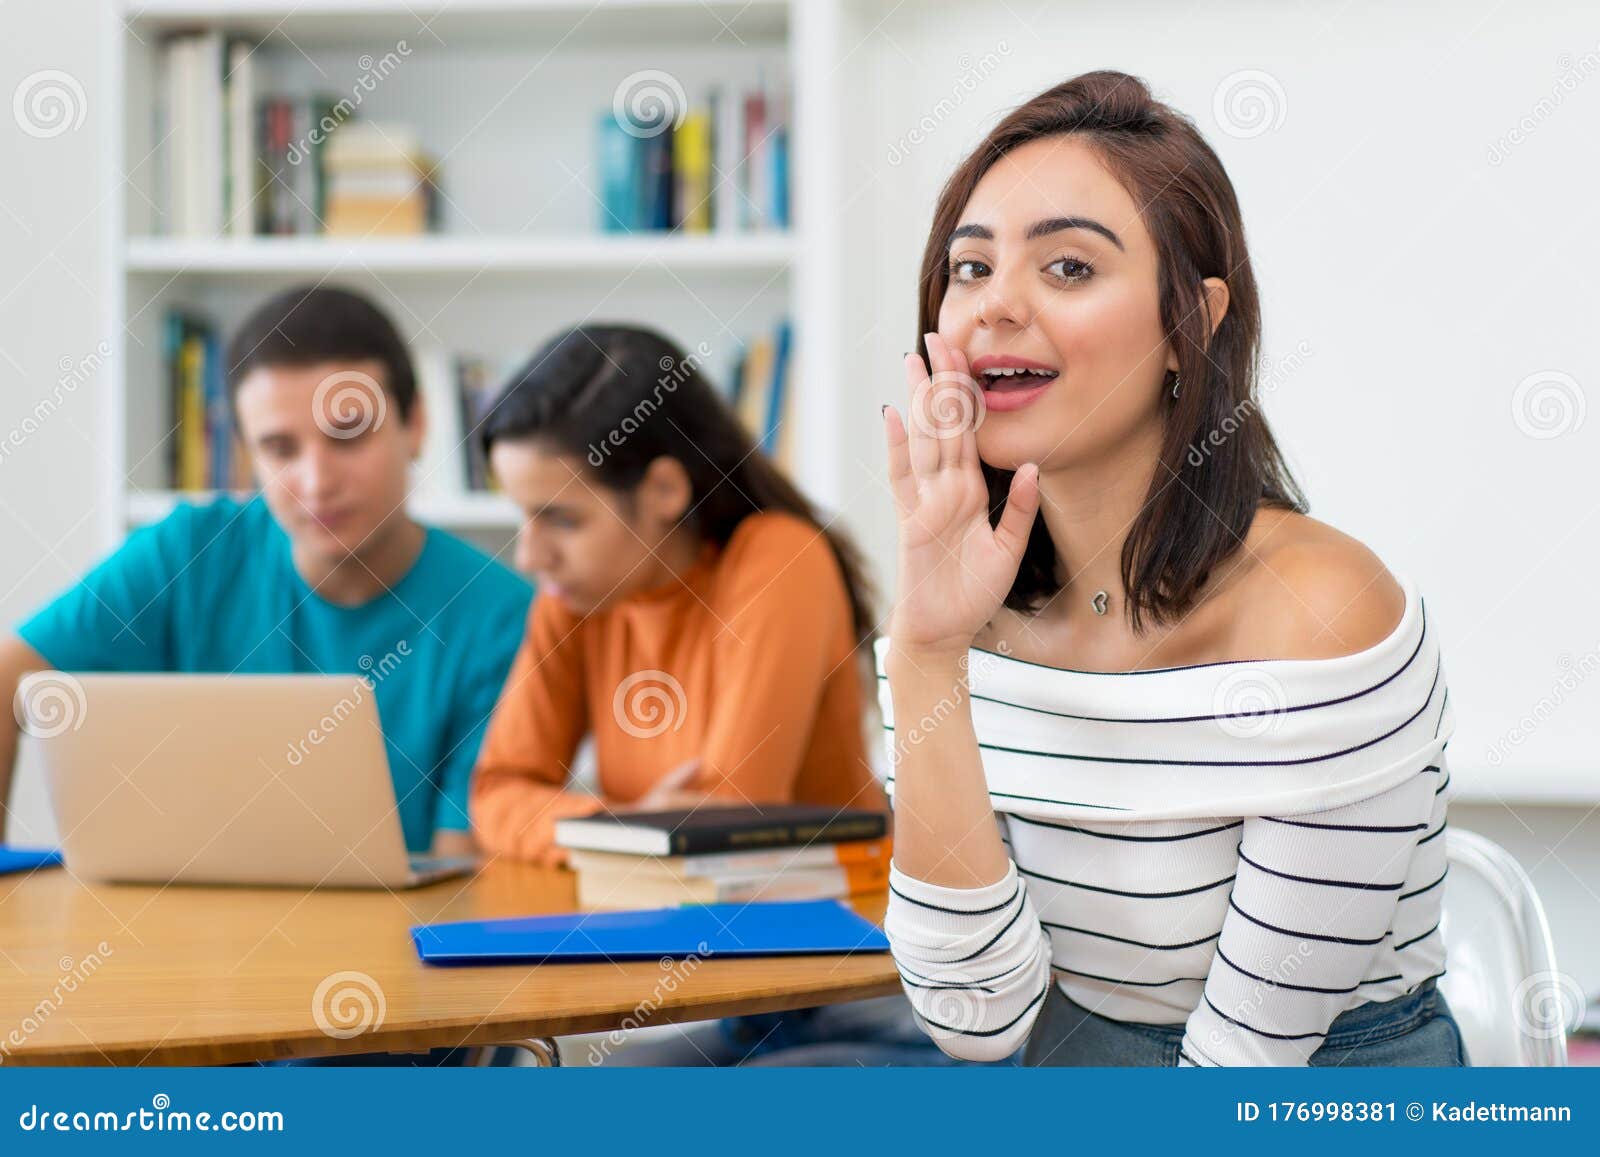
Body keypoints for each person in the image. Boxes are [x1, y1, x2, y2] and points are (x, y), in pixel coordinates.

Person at [878, 71, 1466, 1067]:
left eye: (1067, 267)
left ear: (1189, 323)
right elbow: (973, 1018)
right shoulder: (949, 607)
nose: (993, 307)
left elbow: (1246, 1070)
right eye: (968, 268)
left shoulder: (1322, 614)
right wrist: (926, 649)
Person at [471, 324, 957, 1065]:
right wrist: (623, 825)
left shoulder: (779, 558)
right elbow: (499, 790)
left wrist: (611, 830)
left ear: (665, 489)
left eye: (562, 518)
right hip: (717, 985)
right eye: (524, 518)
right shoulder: (573, 595)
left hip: (846, 992)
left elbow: (730, 813)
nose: (531, 555)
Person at [0, 285, 532, 866]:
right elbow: (9, 679)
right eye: (280, 448)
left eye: (348, 435)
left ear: (417, 424)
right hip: (187, 937)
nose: (316, 480)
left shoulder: (506, 618)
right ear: (248, 451)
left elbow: (461, 879)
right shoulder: (186, 553)